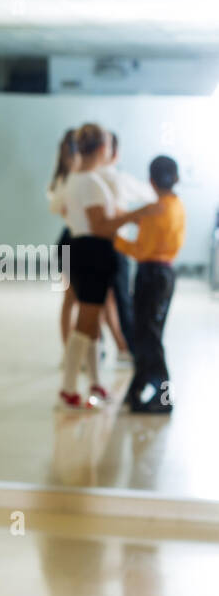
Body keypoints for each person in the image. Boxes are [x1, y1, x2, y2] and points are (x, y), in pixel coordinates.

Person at [114, 155, 185, 414]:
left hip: (151, 275)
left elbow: (142, 249)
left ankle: (164, 396)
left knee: (148, 337)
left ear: (151, 180)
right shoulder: (176, 205)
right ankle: (137, 388)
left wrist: (116, 240)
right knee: (148, 334)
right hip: (165, 275)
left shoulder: (156, 210)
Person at [58, 123, 120, 409]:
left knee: (92, 323)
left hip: (83, 249)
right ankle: (69, 387)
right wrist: (135, 215)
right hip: (93, 251)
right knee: (86, 323)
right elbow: (101, 225)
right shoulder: (91, 182)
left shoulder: (75, 178)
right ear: (103, 148)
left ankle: (96, 382)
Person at [98, 130, 159, 361]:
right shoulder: (116, 178)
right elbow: (152, 195)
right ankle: (131, 350)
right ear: (114, 152)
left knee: (98, 301)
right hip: (116, 247)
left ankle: (102, 348)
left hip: (91, 247)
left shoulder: (90, 178)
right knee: (122, 301)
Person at [48, 129, 80, 347]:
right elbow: (59, 208)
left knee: (80, 300)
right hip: (72, 241)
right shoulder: (64, 180)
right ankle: (69, 349)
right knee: (70, 298)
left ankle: (77, 348)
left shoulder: (78, 178)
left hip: (79, 240)